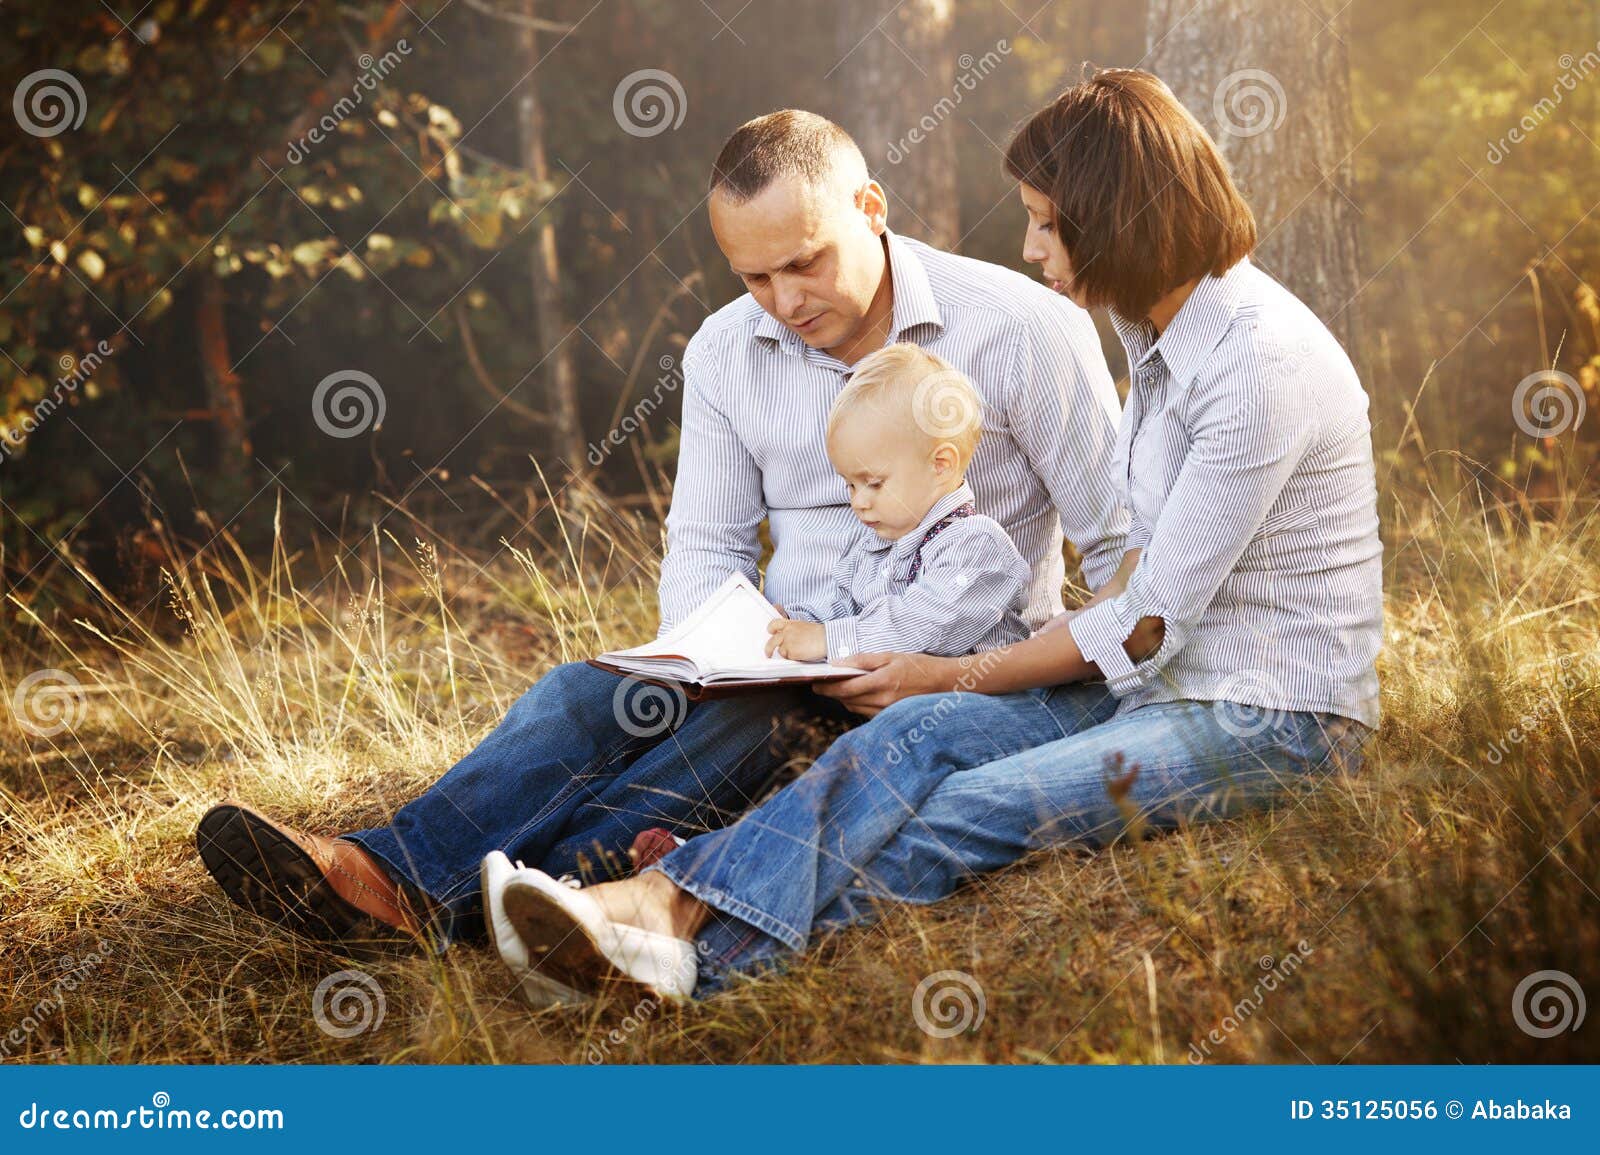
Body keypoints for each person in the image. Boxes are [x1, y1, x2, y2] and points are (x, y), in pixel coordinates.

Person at [484, 69, 1385, 1004]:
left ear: (1118, 218)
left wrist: (950, 670)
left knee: (967, 805)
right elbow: (1138, 578)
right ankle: (649, 910)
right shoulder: (1161, 336)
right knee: (914, 734)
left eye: (1048, 222)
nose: (1030, 245)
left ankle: (687, 951)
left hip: (1267, 714)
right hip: (1152, 687)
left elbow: (1146, 623)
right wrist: (938, 682)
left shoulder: (1256, 364)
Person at [193, 109, 1129, 963]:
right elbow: (707, 546)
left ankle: (510, 901)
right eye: (754, 276)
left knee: (742, 736)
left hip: (936, 665)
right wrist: (709, 656)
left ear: (871, 208)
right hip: (780, 652)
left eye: (805, 263)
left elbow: (1123, 550)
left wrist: (984, 677)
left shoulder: (1024, 328)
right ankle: (388, 871)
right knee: (587, 694)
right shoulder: (726, 348)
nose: (785, 300)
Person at [766, 341, 1031, 664]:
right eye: (850, 484)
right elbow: (844, 610)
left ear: (941, 465)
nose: (858, 502)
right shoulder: (872, 549)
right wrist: (796, 623)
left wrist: (826, 640)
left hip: (974, 692)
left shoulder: (976, 545)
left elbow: (925, 626)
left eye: (874, 483)